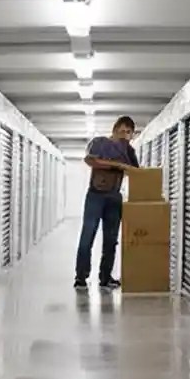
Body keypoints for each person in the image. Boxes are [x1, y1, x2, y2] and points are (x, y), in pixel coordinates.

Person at [76, 116, 139, 290]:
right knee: (87, 236)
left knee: (111, 240)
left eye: (128, 132)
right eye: (122, 130)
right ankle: (80, 277)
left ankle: (105, 278)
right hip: (95, 196)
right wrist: (117, 166)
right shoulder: (100, 142)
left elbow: (135, 172)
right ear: (114, 129)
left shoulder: (129, 151)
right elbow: (90, 160)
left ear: (132, 135)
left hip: (114, 197)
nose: (124, 134)